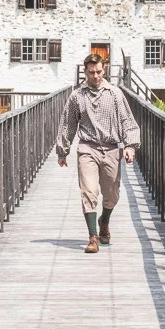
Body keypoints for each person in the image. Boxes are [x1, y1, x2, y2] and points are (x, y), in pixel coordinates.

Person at [55, 53, 141, 253]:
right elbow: (68, 124)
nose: (96, 76)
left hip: (112, 148)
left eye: (99, 72)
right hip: (88, 147)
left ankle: (105, 221)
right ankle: (93, 237)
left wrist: (130, 146)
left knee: (111, 194)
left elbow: (127, 121)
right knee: (89, 191)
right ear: (85, 72)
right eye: (91, 72)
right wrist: (62, 151)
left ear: (104, 70)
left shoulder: (115, 94)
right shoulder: (77, 96)